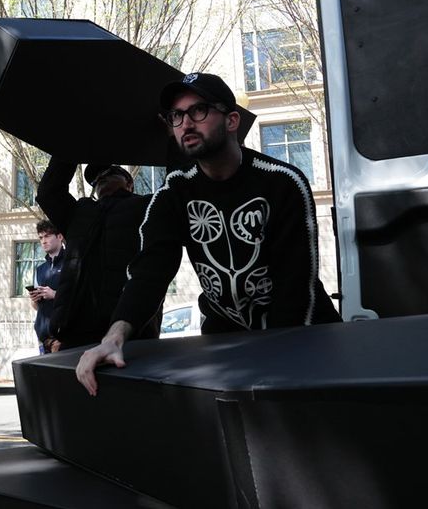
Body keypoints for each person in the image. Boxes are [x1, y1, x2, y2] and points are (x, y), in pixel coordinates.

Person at [76, 73, 340, 395]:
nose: (185, 123)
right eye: (176, 116)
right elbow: (149, 273)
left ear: (231, 121)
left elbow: (296, 287)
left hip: (304, 341)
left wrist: (276, 368)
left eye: (198, 111)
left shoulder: (283, 183)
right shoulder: (172, 194)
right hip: (227, 342)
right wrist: (113, 339)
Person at [36, 160, 161, 351]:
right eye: (96, 179)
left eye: (111, 173)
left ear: (129, 183)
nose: (101, 178)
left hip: (130, 334)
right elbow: (48, 193)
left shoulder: (147, 208)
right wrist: (72, 145)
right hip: (76, 333)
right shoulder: (78, 213)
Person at [29, 220, 63, 354]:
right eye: (41, 237)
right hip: (43, 339)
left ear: (59, 236)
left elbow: (79, 299)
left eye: (47, 236)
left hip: (63, 339)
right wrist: (34, 298)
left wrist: (54, 294)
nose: (43, 241)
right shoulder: (40, 270)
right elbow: (36, 307)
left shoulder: (71, 264)